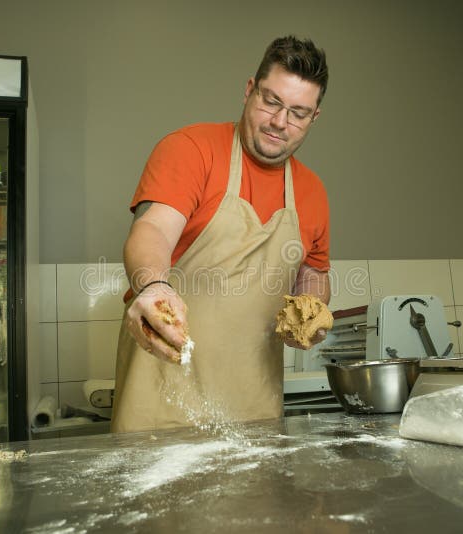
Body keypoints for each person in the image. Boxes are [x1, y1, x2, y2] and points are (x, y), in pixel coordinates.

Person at [111, 36, 331, 433]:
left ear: (314, 117)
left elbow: (313, 274)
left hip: (255, 408)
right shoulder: (190, 149)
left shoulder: (312, 191)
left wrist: (312, 312)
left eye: (298, 113)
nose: (280, 122)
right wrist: (153, 286)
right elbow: (153, 228)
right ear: (250, 89)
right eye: (271, 101)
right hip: (162, 401)